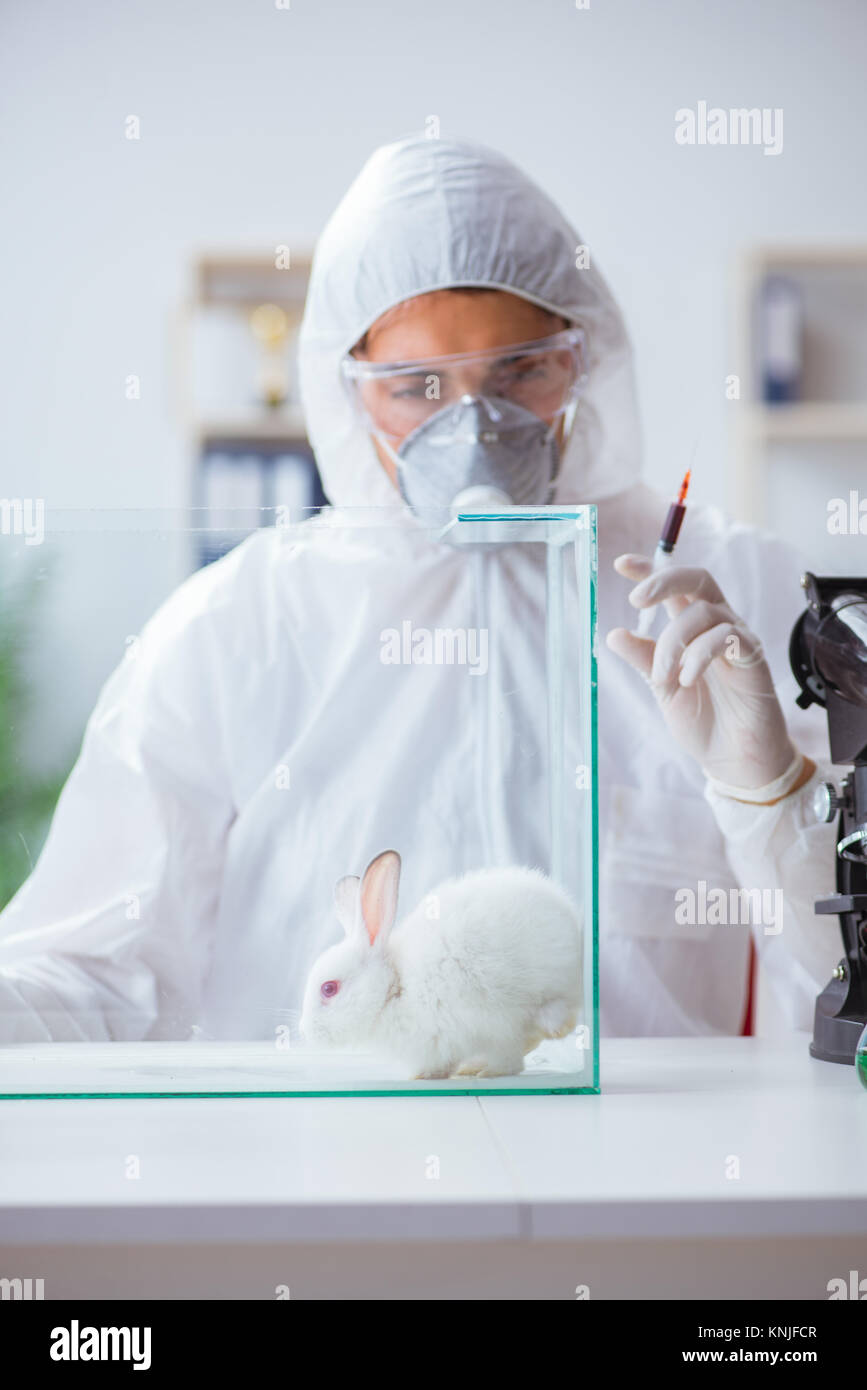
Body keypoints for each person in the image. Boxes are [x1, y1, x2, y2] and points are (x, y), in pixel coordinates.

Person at [0, 136, 842, 1044]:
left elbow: (840, 976)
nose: (472, 428)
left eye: (520, 370)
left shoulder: (728, 589)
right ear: (348, 390)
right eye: (416, 386)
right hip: (320, 1177)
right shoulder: (240, 625)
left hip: (642, 1171)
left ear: (580, 358)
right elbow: (96, 973)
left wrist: (773, 796)